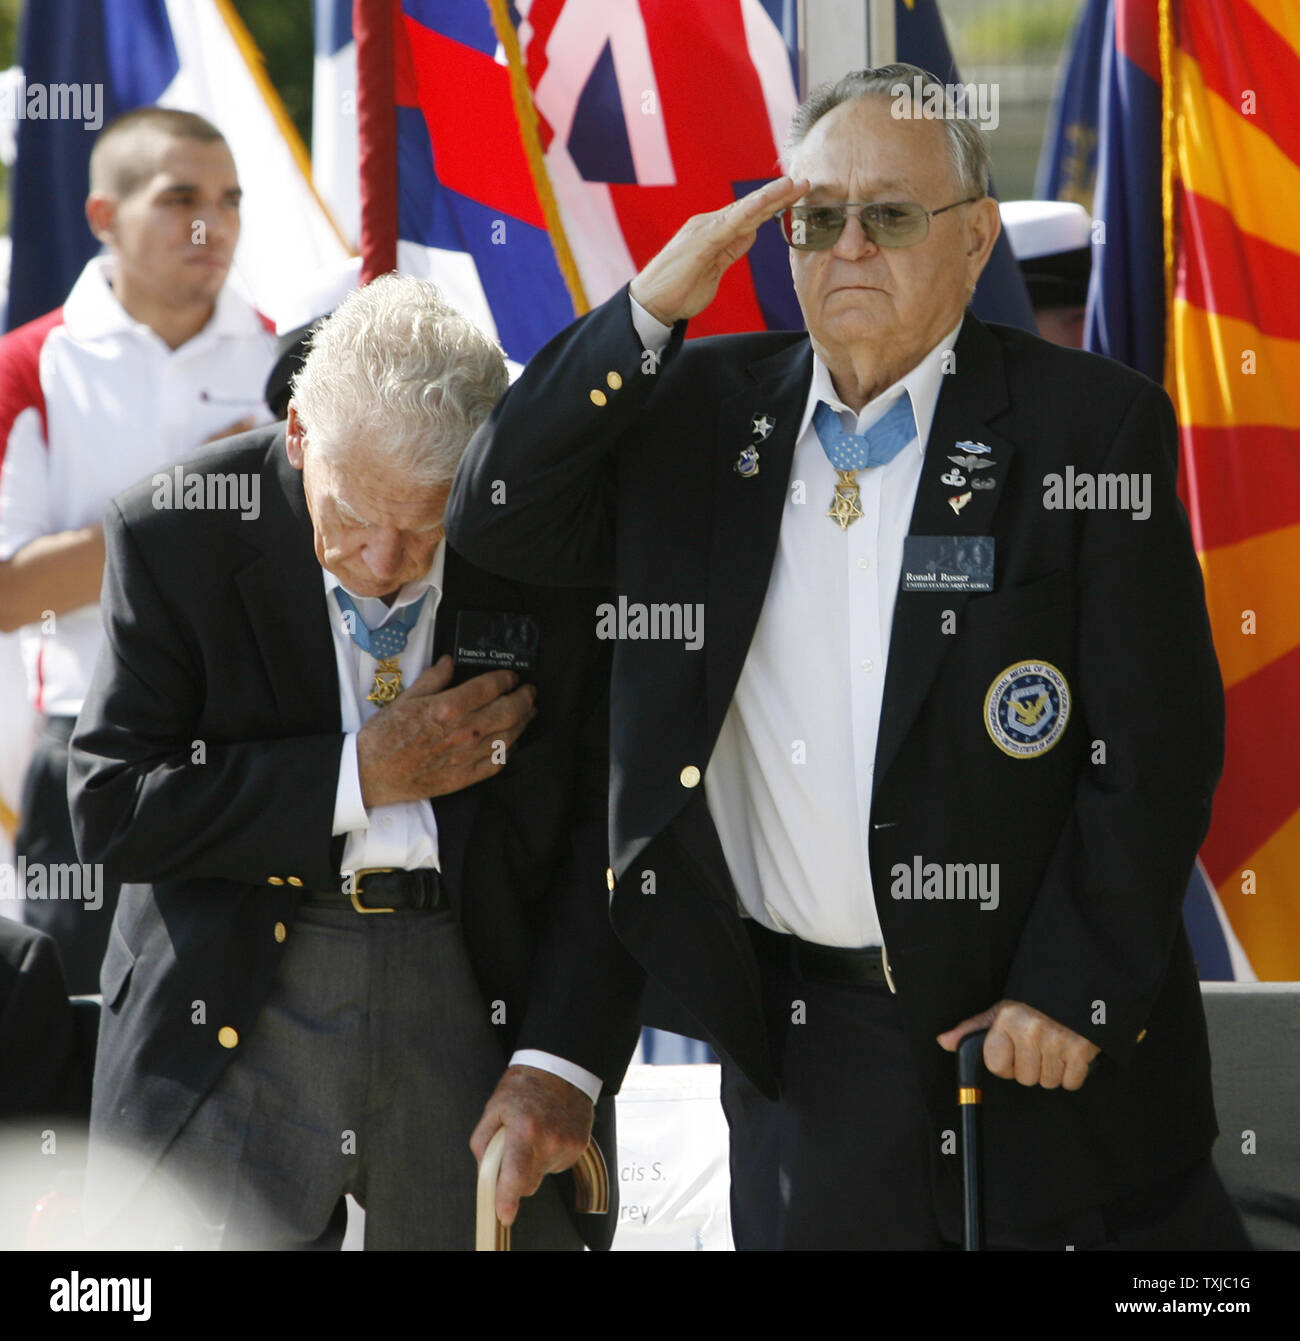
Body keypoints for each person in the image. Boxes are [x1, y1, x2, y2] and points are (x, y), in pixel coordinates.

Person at [444, 64, 1248, 1249]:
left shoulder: (1090, 425)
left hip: (1035, 1059)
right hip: (810, 1067)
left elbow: (1155, 743)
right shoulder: (699, 415)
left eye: (891, 215)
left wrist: (1069, 989)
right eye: (818, 217)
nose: (849, 247)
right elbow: (499, 507)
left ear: (976, 242)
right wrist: (651, 309)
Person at [68, 273, 641, 1250]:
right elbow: (114, 810)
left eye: (426, 523)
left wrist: (562, 1060)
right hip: (235, 1001)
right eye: (356, 511)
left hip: (477, 995)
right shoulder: (175, 534)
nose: (384, 560)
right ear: (299, 438)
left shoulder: (552, 548)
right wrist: (358, 775)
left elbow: (616, 829)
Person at [0, 107, 276, 993]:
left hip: (264, 748)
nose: (214, 225)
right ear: (102, 215)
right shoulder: (29, 365)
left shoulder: (290, 358)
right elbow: (8, 591)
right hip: (87, 751)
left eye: (230, 199)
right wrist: (193, 489)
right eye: (181, 198)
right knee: (75, 1061)